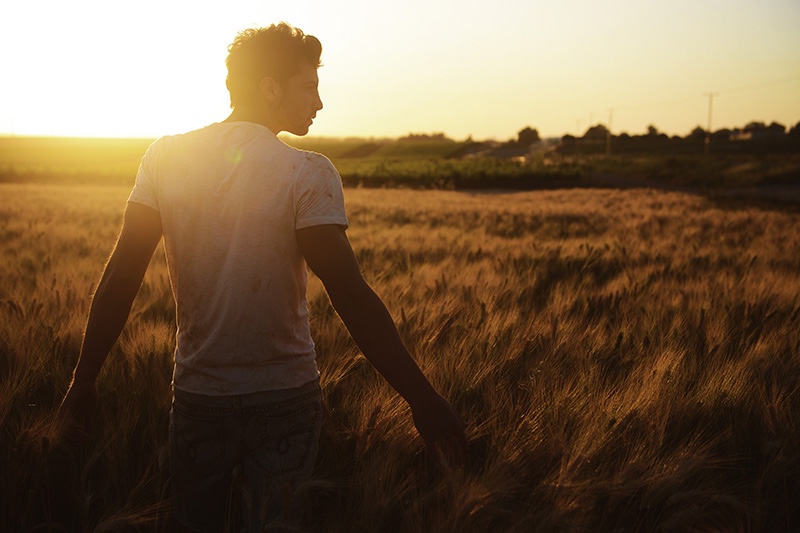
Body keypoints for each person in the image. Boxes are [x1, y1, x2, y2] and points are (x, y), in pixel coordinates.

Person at [56, 22, 467, 531]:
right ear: (270, 87)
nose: (319, 103)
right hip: (285, 400)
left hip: (198, 398)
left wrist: (83, 380)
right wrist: (422, 399)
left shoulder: (164, 157)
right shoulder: (307, 173)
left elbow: (122, 275)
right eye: (309, 86)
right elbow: (350, 294)